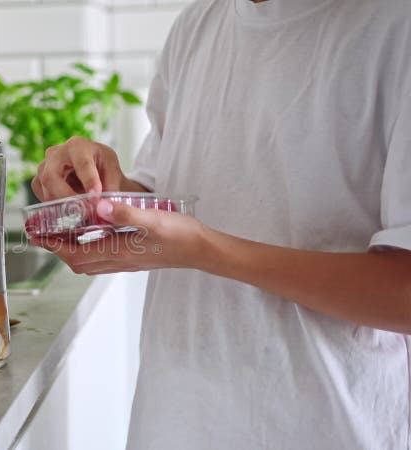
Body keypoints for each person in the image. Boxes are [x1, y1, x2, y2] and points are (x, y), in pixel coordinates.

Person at [30, 0, 411, 448]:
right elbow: (165, 199)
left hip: (326, 428)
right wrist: (103, 194)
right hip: (173, 422)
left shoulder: (395, 26)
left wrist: (205, 250)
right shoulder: (196, 26)